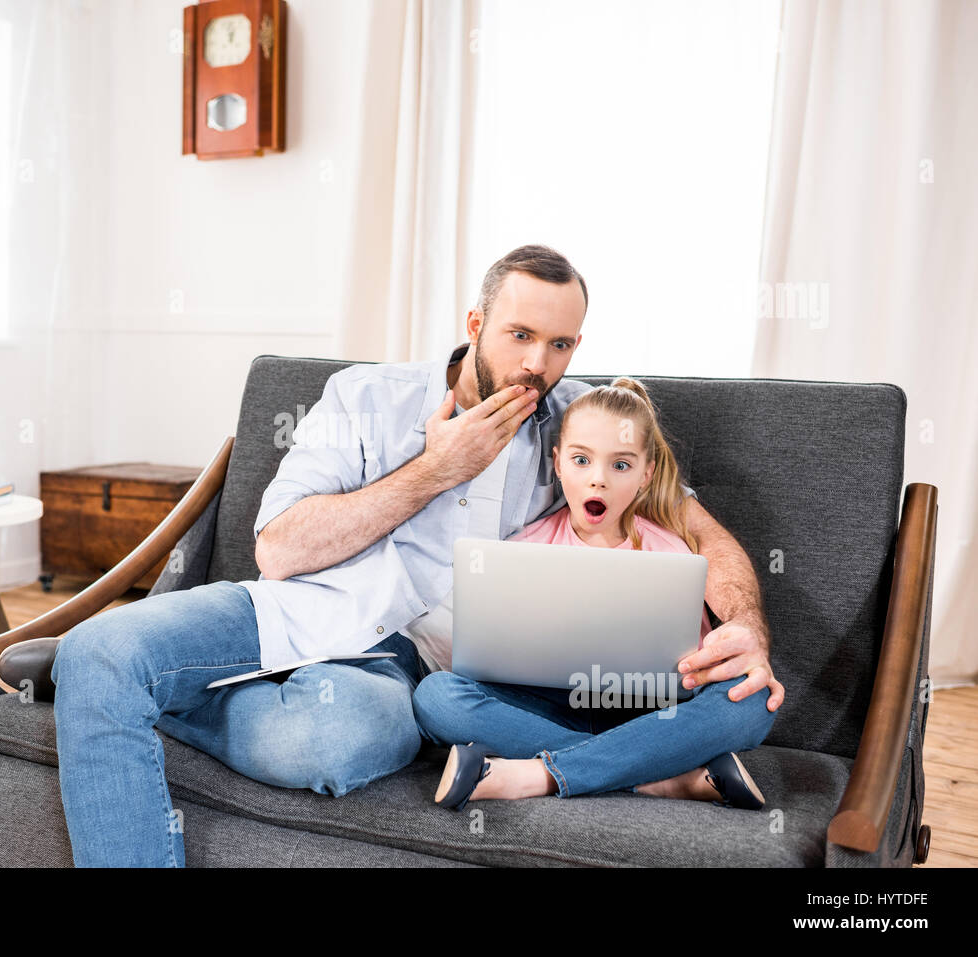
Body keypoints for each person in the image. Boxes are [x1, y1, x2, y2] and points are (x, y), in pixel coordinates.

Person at [48, 244, 784, 866]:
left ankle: (99, 691)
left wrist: (745, 624)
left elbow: (702, 532)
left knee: (328, 744)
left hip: (408, 671)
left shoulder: (583, 425)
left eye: (560, 345)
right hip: (293, 612)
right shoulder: (366, 396)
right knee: (104, 651)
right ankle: (95, 677)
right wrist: (437, 468)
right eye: (520, 335)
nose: (538, 363)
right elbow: (278, 550)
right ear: (475, 324)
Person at [412, 377, 776, 811]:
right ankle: (660, 774)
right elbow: (492, 658)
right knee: (436, 697)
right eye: (581, 460)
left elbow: (692, 664)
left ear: (647, 474)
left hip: (653, 710)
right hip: (549, 706)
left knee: (754, 699)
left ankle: (536, 773)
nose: (598, 480)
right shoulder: (522, 548)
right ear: (558, 463)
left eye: (620, 465)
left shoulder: (675, 552)